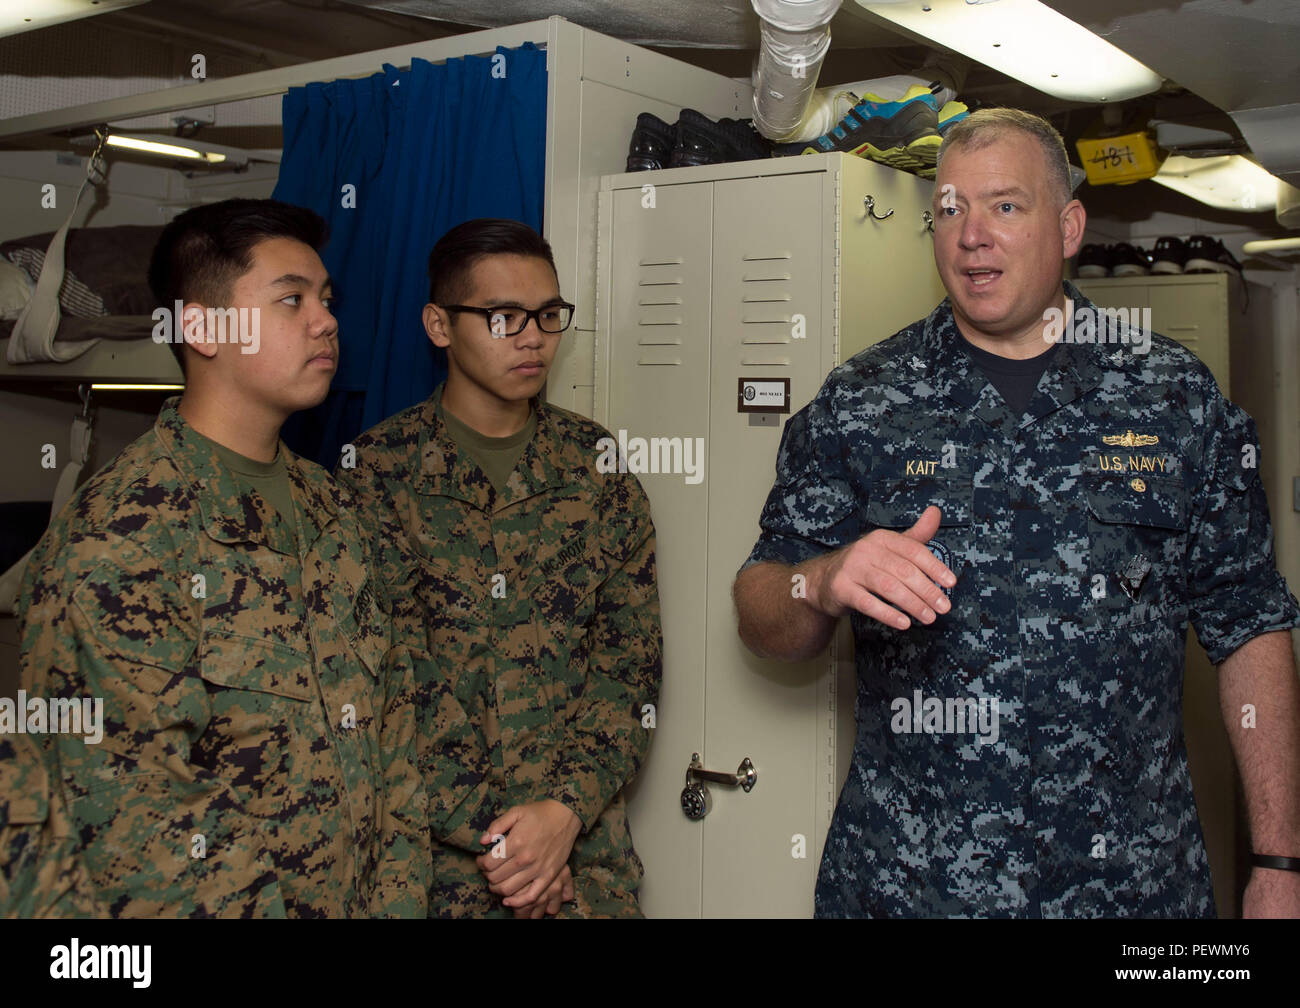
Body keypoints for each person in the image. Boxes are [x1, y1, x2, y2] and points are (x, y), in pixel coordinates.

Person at [733, 108, 1300, 918]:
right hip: (912, 887)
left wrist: (1281, 860)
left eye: (1004, 205)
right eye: (950, 209)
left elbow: (1250, 622)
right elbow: (760, 610)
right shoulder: (862, 402)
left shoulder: (1173, 396)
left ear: (1068, 226)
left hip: (1129, 891)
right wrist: (819, 582)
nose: (970, 235)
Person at [16, 198, 430, 917]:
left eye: (326, 299)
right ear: (202, 328)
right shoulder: (123, 535)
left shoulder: (333, 510)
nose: (326, 320)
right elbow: (132, 821)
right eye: (291, 300)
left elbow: (391, 742)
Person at [336, 218, 662, 918]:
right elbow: (387, 676)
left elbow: (629, 665)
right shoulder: (374, 476)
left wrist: (563, 816)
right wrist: (514, 846)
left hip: (583, 868)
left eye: (548, 315)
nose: (534, 337)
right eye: (503, 316)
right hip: (434, 872)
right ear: (439, 324)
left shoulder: (594, 466)